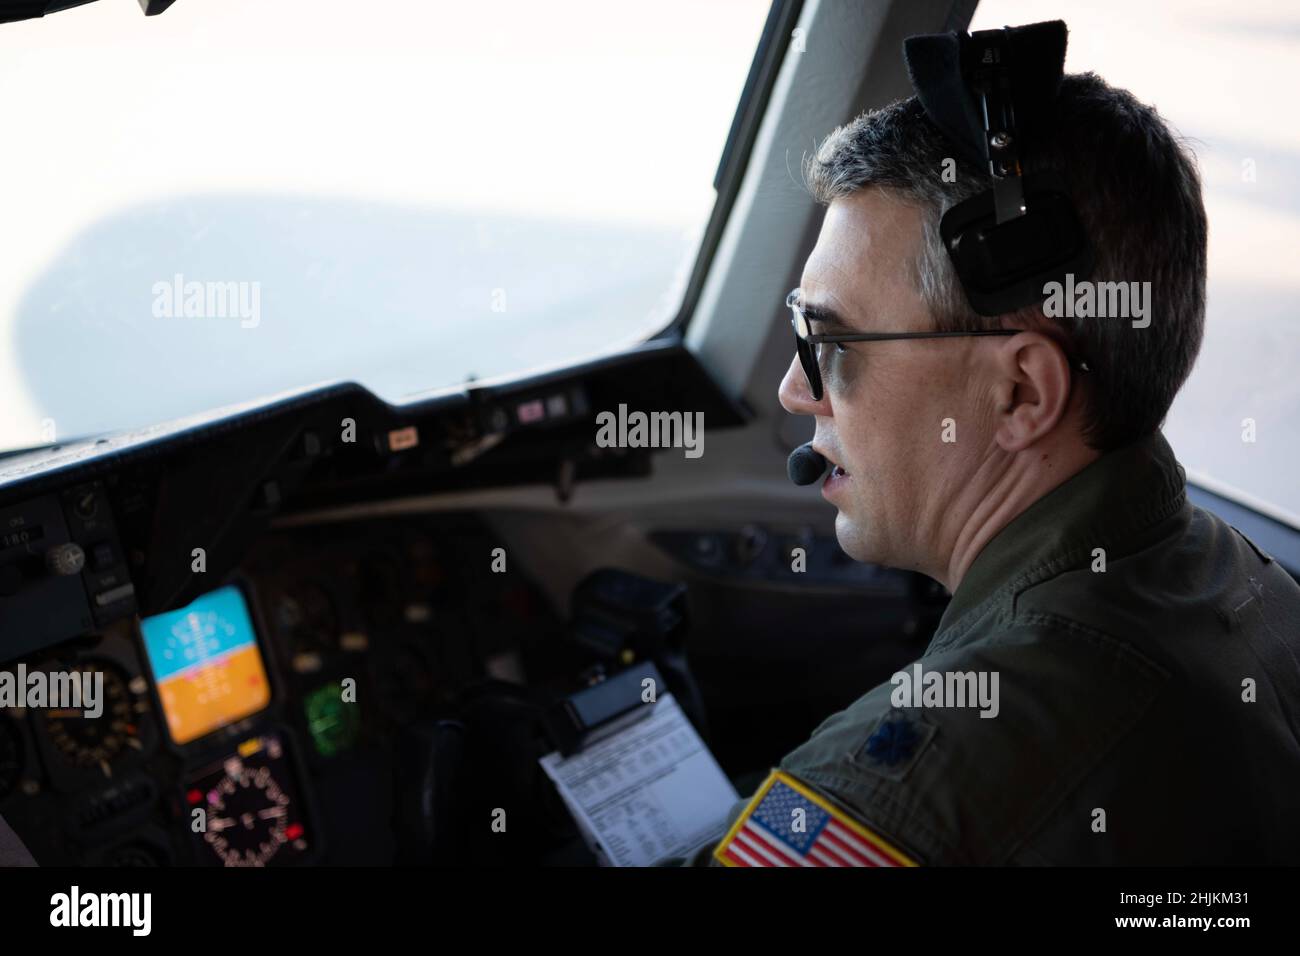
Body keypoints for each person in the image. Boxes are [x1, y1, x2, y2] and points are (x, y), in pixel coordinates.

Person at [698, 62, 1300, 866]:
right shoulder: (1253, 587)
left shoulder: (906, 792)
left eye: (832, 344)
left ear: (1021, 391)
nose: (794, 390)